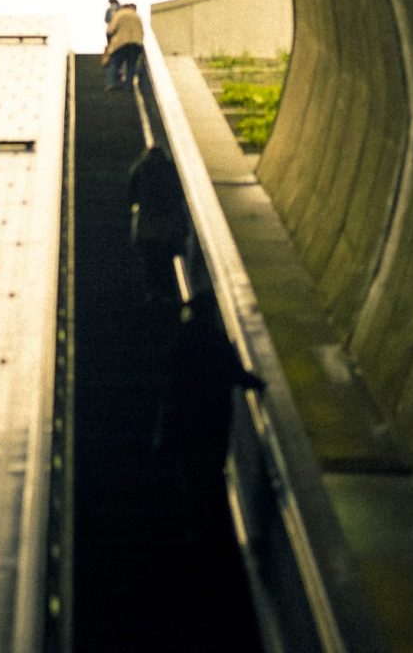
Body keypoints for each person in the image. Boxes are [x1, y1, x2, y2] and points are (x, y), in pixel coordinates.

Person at [153, 299, 267, 539]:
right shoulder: (214, 338)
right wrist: (261, 384)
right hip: (213, 418)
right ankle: (214, 523)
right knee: (213, 470)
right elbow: (234, 372)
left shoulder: (180, 340)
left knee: (191, 472)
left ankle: (193, 523)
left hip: (187, 420)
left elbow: (169, 383)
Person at [128, 145, 189, 307]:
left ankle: (153, 295)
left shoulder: (140, 168)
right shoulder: (171, 169)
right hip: (168, 228)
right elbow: (180, 195)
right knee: (166, 262)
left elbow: (132, 197)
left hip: (147, 228)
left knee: (150, 263)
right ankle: (169, 295)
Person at [103, 1, 144, 89]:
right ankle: (128, 85)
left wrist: (109, 43)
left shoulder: (119, 14)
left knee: (115, 62)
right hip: (135, 43)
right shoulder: (136, 16)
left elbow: (110, 30)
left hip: (120, 42)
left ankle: (112, 83)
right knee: (131, 65)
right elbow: (142, 31)